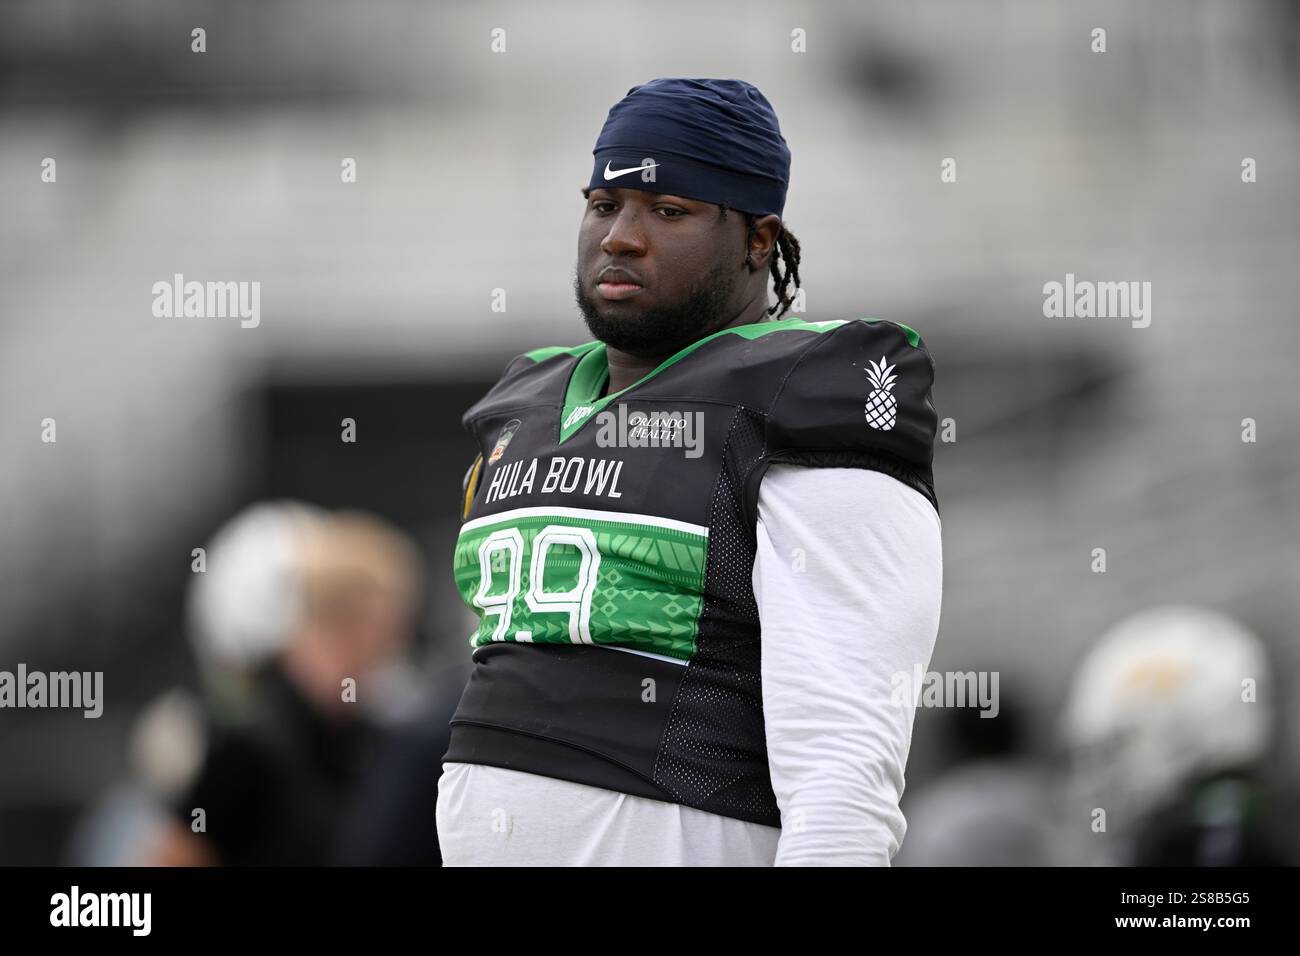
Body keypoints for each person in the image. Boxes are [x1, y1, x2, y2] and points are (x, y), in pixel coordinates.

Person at [436, 78, 943, 866]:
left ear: (758, 239)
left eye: (668, 211)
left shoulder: (804, 388)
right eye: (605, 204)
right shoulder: (525, 395)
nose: (620, 237)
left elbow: (844, 760)